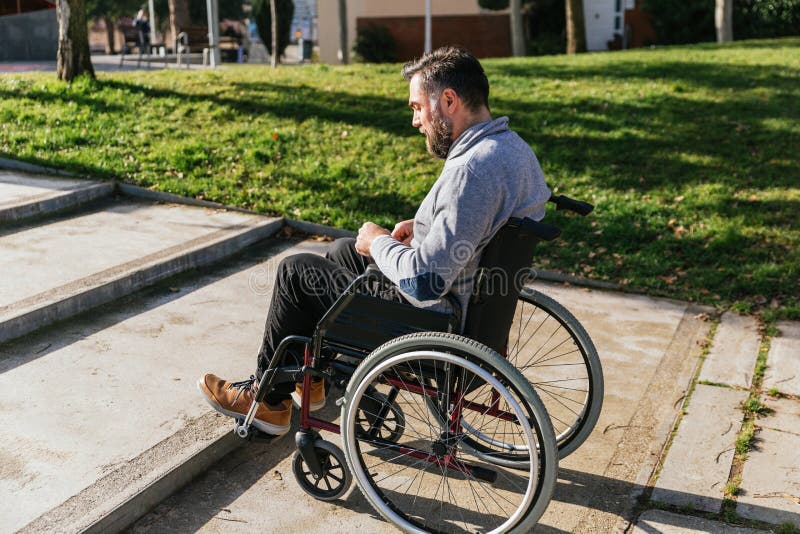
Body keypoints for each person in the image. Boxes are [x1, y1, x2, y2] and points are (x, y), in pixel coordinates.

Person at [197, 46, 551, 436]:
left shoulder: (470, 170)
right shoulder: (512, 150)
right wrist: (426, 226)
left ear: (449, 100)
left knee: (297, 272)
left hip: (436, 325)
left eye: (418, 107)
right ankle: (310, 379)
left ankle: (267, 403)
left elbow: (425, 281)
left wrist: (380, 243)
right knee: (342, 251)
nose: (415, 121)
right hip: (476, 315)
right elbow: (484, 224)